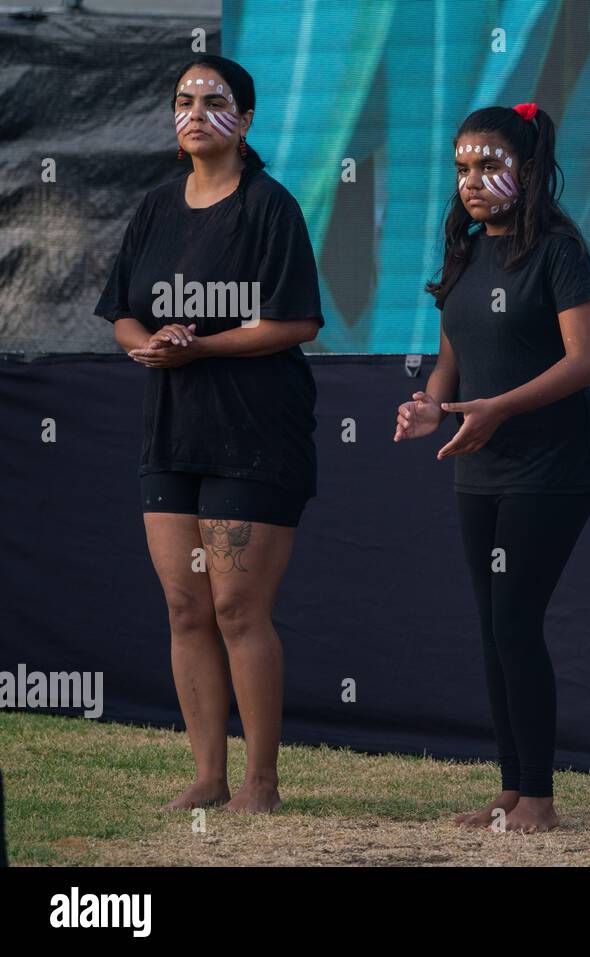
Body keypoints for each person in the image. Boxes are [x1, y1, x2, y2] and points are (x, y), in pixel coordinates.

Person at [94, 54, 324, 814]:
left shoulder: (270, 207)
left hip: (256, 432)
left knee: (235, 609)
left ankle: (260, 781)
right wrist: (147, 340)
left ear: (246, 119)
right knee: (185, 608)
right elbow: (123, 310)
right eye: (184, 100)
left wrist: (204, 345)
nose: (196, 112)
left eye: (215, 100)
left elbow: (296, 322)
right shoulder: (156, 208)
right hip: (172, 431)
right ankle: (207, 775)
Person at [393, 103, 590, 834]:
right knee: (492, 628)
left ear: (527, 168)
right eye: (462, 168)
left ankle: (540, 799)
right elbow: (453, 363)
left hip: (550, 469)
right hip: (477, 467)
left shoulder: (558, 250)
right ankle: (511, 790)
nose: (473, 181)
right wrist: (429, 408)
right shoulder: (464, 250)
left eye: (489, 165)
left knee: (516, 621)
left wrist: (499, 409)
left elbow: (588, 361)